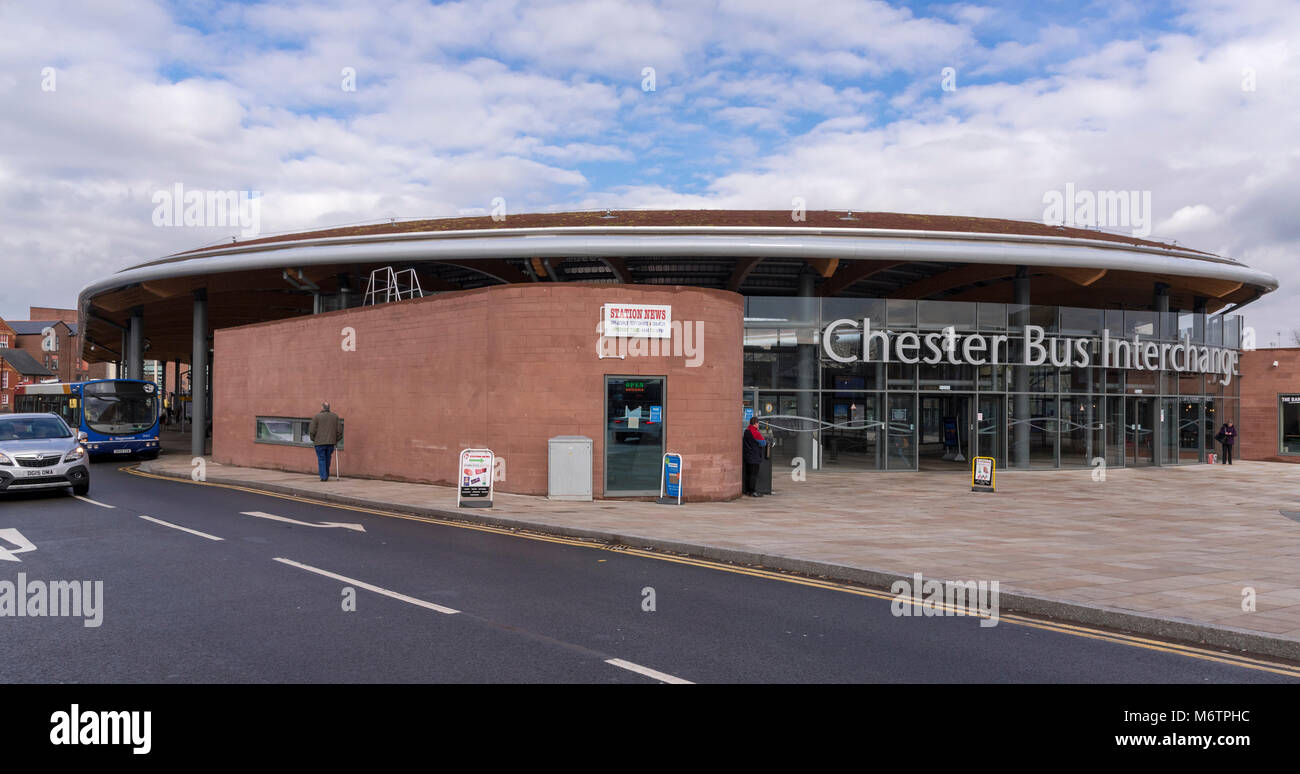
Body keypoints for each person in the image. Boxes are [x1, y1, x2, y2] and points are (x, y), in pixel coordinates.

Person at [308, 401, 343, 481]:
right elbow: (339, 430)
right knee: (327, 458)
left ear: (322, 407)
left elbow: (312, 430)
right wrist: (336, 439)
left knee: (321, 459)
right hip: (331, 442)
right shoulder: (335, 417)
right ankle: (326, 474)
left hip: (319, 443)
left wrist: (313, 439)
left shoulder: (316, 417)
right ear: (328, 408)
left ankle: (324, 477)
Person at [742, 417, 767, 497]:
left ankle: (747, 490)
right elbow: (763, 443)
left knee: (748, 474)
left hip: (747, 455)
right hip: (755, 456)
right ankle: (753, 491)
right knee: (753, 474)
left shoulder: (746, 431)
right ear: (756, 424)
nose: (758, 425)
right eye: (758, 423)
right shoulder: (755, 432)